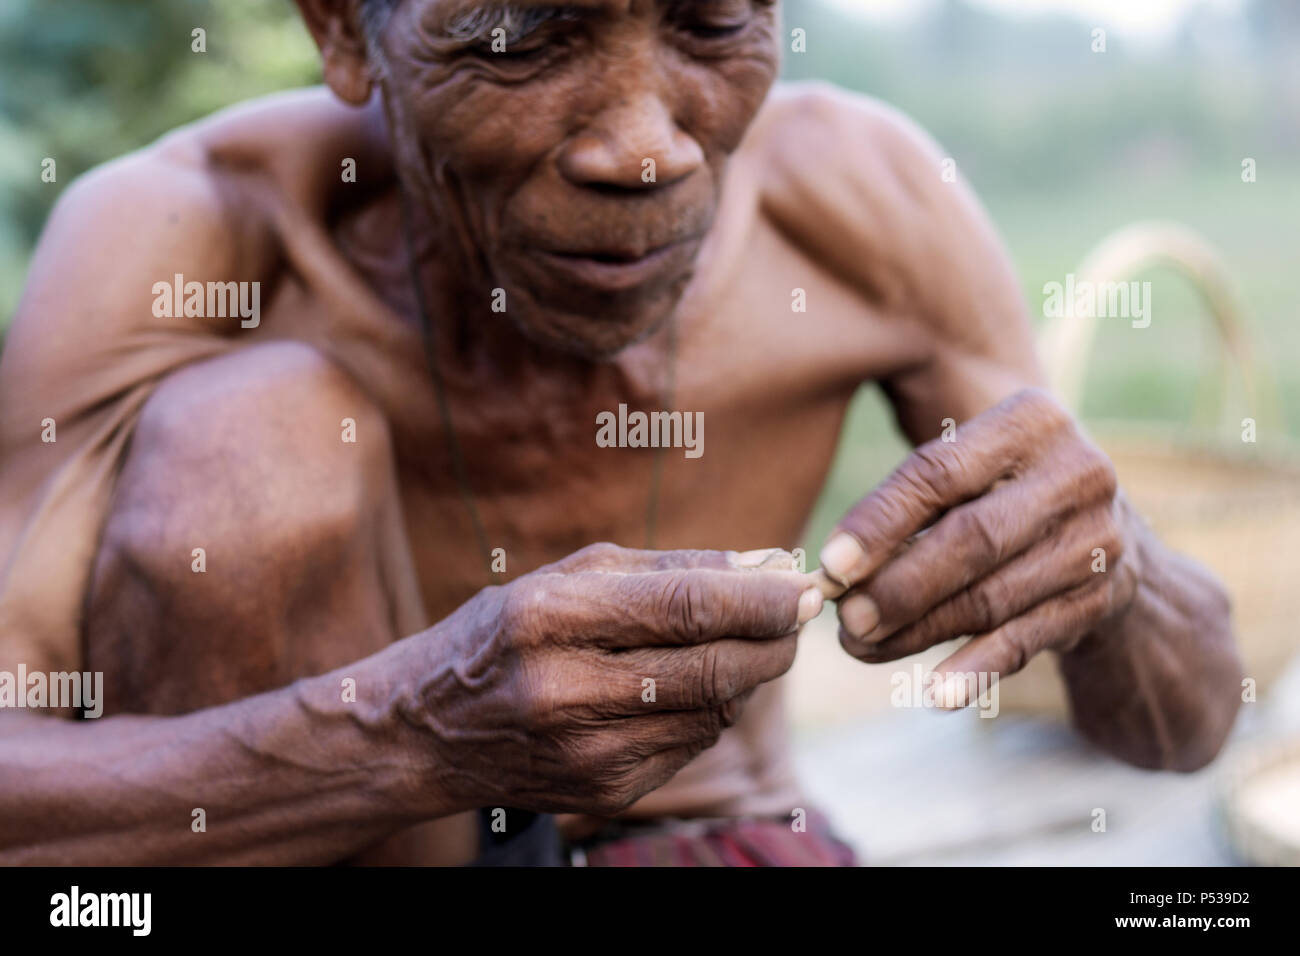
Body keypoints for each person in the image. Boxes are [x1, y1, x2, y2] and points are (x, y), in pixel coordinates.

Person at [0, 0, 1242, 866]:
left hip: (710, 837)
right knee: (253, 433)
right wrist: (414, 728)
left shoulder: (864, 202)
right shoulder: (186, 231)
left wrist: (1113, 564)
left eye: (709, 23)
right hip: (340, 847)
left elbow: (1181, 730)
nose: (644, 146)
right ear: (341, 27)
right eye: (525, 37)